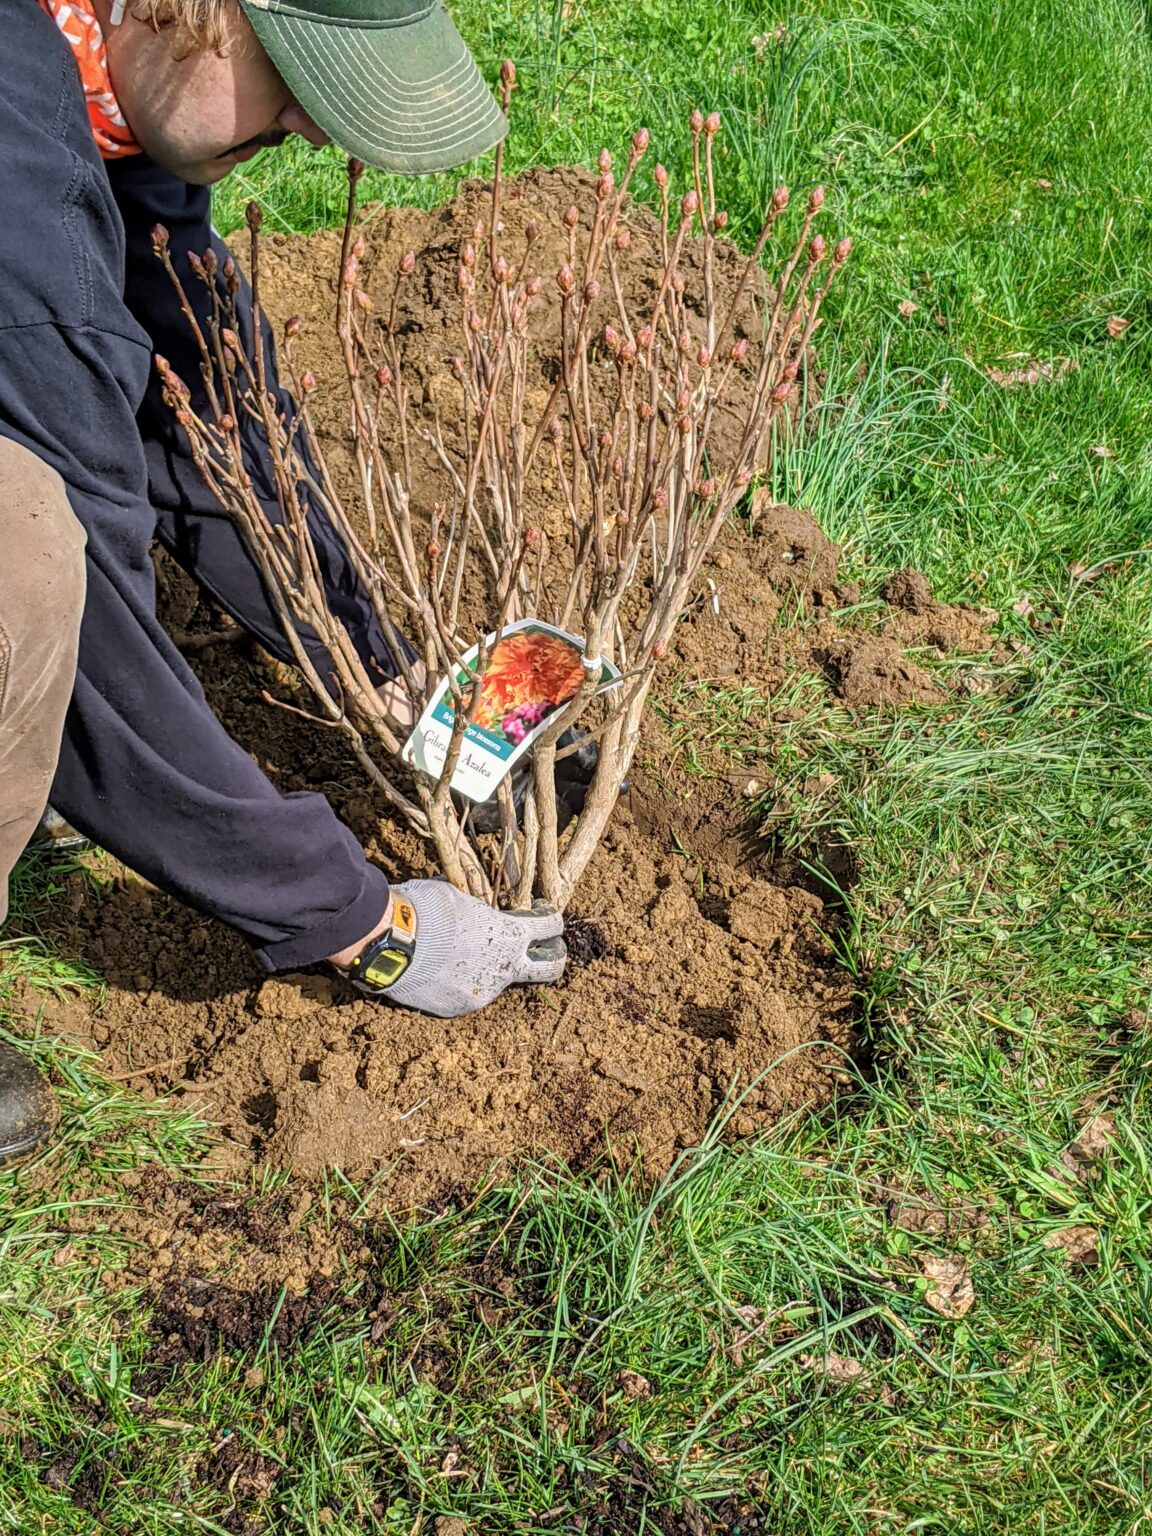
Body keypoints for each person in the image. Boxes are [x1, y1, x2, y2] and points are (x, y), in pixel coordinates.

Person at [0, 0, 569, 1166]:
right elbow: (96, 633)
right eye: (296, 80)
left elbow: (205, 412)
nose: (313, 130)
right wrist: (363, 920)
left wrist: (404, 682)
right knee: (22, 555)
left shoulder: (103, 75)